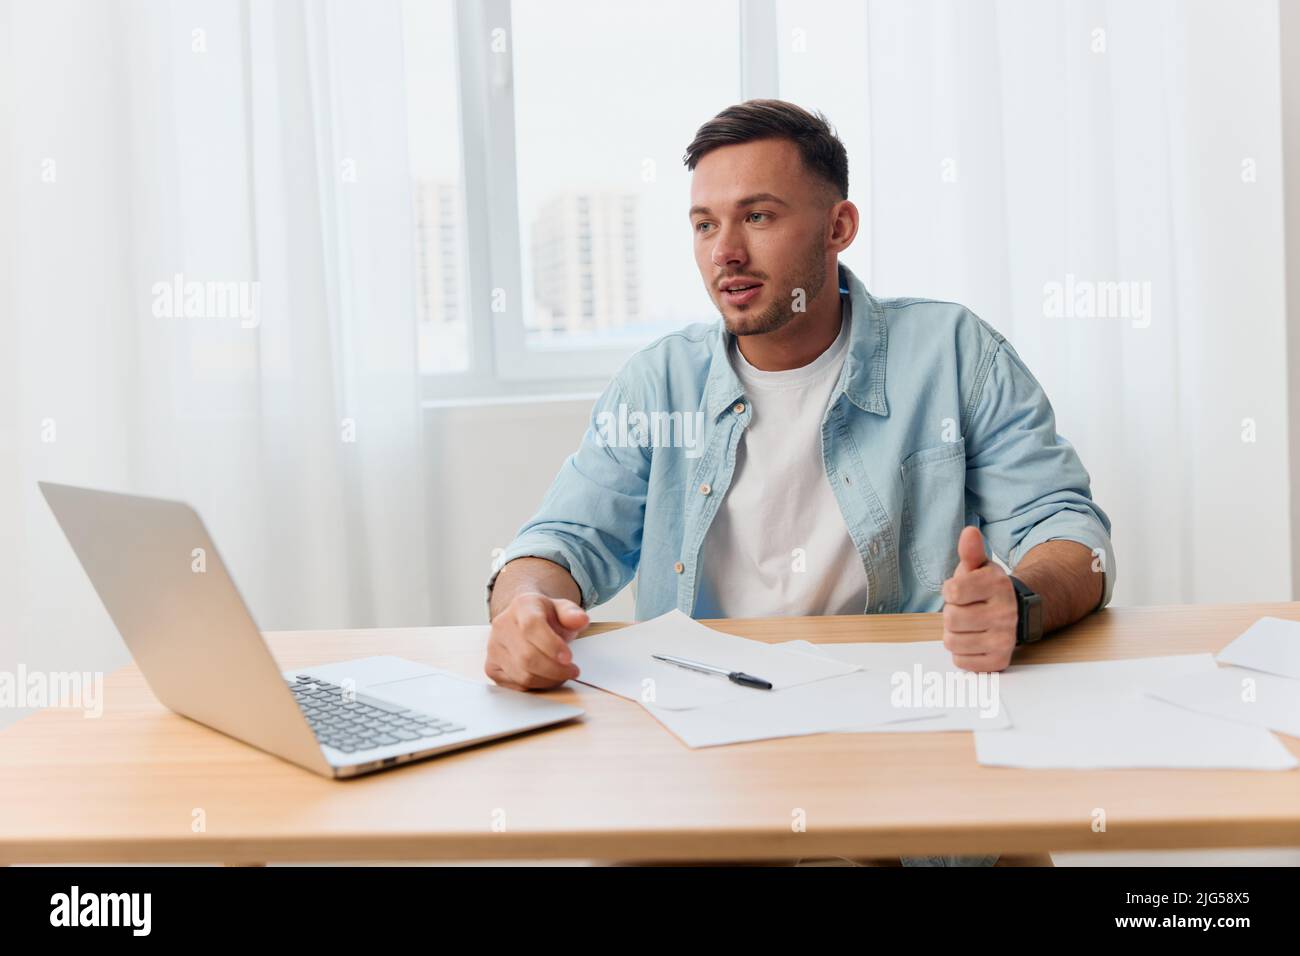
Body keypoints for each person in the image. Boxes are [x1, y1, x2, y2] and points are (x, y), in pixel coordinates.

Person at [485, 100, 1115, 868]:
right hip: (703, 751)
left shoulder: (954, 352)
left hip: (895, 747)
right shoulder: (660, 382)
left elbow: (1072, 535)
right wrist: (522, 607)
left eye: (758, 216)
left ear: (839, 227)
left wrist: (1019, 602)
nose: (727, 252)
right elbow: (563, 541)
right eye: (705, 224)